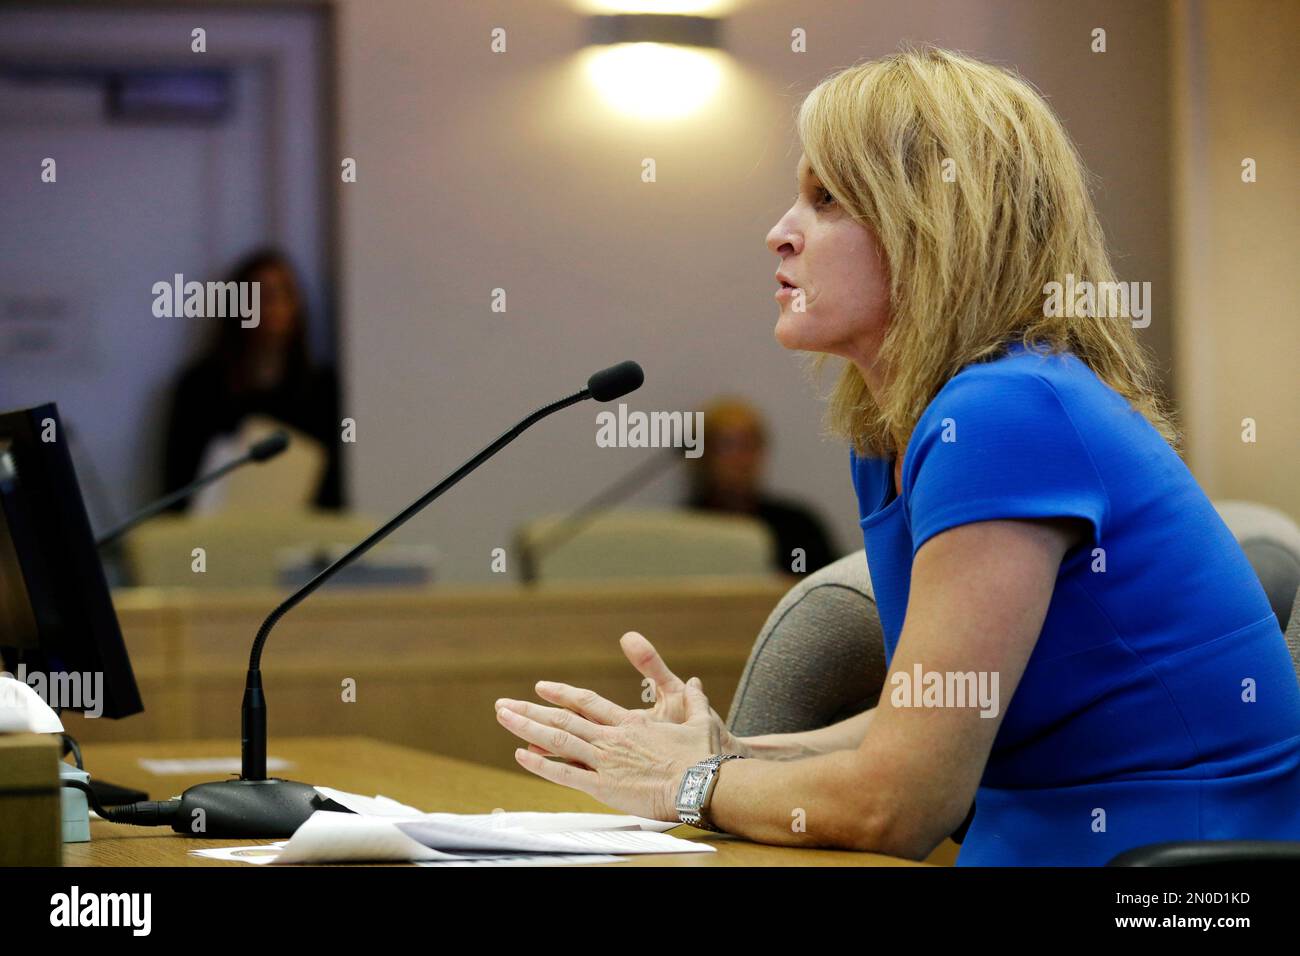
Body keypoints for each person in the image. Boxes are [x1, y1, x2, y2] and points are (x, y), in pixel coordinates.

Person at [492, 47, 1300, 865]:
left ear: (935, 225)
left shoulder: (1005, 413)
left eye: (827, 199)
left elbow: (900, 805)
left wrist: (686, 782)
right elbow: (927, 722)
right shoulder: (901, 429)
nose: (779, 233)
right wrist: (727, 752)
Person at [161, 248, 343, 510]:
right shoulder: (199, 388)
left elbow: (333, 489)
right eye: (261, 297)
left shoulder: (322, 389)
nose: (273, 308)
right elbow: (178, 486)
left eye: (283, 294)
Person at [686, 397, 836, 576]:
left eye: (749, 445)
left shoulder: (798, 527)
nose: (741, 459)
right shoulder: (685, 529)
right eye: (727, 445)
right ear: (702, 455)